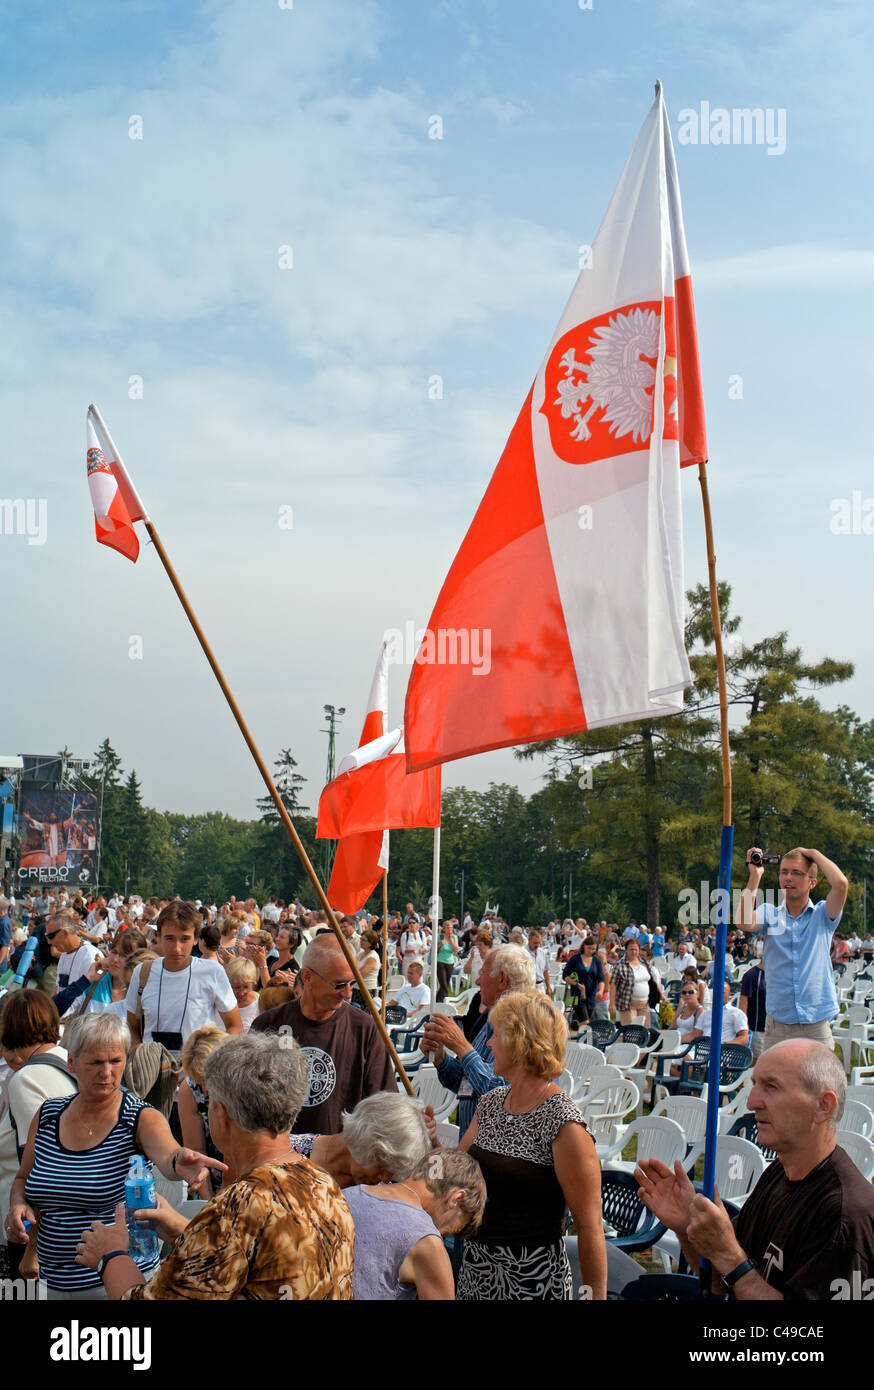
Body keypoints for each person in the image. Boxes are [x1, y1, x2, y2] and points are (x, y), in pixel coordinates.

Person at [74, 1032, 355, 1299]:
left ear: (221, 1115)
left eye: (209, 1103)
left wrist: (110, 1256)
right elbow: (258, 1259)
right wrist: (188, 1232)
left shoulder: (237, 1208)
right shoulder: (323, 1182)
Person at [6, 1011, 226, 1299]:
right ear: (71, 1062)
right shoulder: (48, 1114)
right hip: (52, 1282)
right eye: (96, 1062)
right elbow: (24, 1178)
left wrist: (179, 1160)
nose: (107, 1072)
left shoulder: (138, 1117)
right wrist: (18, 1206)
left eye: (116, 1061)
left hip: (118, 1284)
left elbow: (167, 1154)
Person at [636, 1040, 874, 1299]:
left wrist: (731, 1258)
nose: (751, 1102)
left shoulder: (845, 1216)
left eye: (771, 1087)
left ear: (823, 1106)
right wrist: (688, 1229)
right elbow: (725, 1282)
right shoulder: (779, 1173)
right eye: (754, 1085)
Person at [456, 991, 606, 1301]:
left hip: (533, 1284)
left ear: (518, 1041)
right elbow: (456, 1173)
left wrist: (595, 1298)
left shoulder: (563, 1124)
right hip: (477, 1275)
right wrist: (427, 1138)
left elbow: (590, 1228)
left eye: (495, 1035)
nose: (488, 1044)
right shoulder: (490, 1104)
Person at [251, 935, 397, 1134]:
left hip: (340, 1159)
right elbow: (247, 1104)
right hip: (280, 1157)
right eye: (339, 984)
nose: (347, 994)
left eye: (351, 983)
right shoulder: (268, 1026)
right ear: (308, 976)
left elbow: (385, 1104)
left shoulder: (364, 1029)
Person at [736, 846, 849, 1050]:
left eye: (797, 873)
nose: (788, 878)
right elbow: (743, 922)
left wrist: (813, 853)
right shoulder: (770, 914)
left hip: (815, 1022)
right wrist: (755, 875)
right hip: (778, 1023)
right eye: (784, 872)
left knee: (820, 1082)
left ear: (812, 882)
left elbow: (841, 884)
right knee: (776, 1082)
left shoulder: (822, 914)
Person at [0, 992, 77, 1279]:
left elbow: (37, 1169)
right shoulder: (66, 1060)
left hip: (30, 1230)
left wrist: (31, 1250)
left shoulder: (26, 1080)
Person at [344, 1148, 486, 1300]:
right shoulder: (427, 1241)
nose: (442, 1236)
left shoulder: (346, 1195)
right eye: (447, 1233)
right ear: (457, 1198)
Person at [422, 945, 536, 1134]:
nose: (477, 980)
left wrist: (462, 1047)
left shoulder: (526, 1025)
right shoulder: (492, 1018)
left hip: (499, 1151)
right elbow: (468, 1083)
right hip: (474, 1147)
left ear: (502, 980)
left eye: (482, 973)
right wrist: (442, 1059)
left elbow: (500, 1093)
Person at [126, 900, 242, 1056]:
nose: (176, 947)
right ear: (159, 937)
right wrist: (138, 1054)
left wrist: (204, 1060)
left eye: (184, 939)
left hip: (195, 1076)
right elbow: (132, 1026)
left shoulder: (213, 972)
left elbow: (235, 1026)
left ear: (195, 939)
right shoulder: (142, 972)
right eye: (169, 938)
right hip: (150, 1073)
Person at [609, 936, 660, 1026]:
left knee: (645, 1031)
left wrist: (662, 996)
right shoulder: (620, 965)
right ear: (626, 950)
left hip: (644, 1003)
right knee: (631, 1031)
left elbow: (652, 981)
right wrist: (612, 1004)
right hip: (627, 1003)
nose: (633, 952)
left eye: (636, 949)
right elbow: (613, 985)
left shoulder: (643, 962)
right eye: (631, 949)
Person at [562, 936, 606, 1030]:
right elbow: (565, 975)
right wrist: (576, 984)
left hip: (591, 995)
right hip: (577, 994)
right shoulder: (575, 958)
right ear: (584, 946)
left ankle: (582, 1039)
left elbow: (601, 978)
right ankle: (582, 1041)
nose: (591, 951)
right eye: (589, 948)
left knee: (587, 1022)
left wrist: (601, 991)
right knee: (585, 1021)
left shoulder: (597, 961)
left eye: (593, 949)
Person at [688, 982, 750, 1046]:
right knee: (678, 1051)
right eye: (716, 992)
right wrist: (679, 1040)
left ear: (728, 994)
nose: (718, 994)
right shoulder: (706, 1013)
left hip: (723, 1051)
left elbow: (744, 1038)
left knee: (687, 1056)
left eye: (722, 992)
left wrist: (723, 1044)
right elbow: (695, 1034)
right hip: (701, 1048)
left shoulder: (736, 1013)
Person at [738, 953, 767, 1058]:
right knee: (756, 1059)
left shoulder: (773, 975)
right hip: (756, 1028)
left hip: (771, 1027)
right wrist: (744, 1024)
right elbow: (743, 1000)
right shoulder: (751, 975)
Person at [224, 957, 261, 1030]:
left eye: (246, 987)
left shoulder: (260, 1003)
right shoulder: (222, 1002)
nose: (241, 993)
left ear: (253, 984)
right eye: (236, 988)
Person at [435, 921, 459, 1003]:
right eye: (448, 927)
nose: (450, 929)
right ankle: (446, 1000)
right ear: (444, 929)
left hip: (450, 962)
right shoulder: (440, 937)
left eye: (451, 927)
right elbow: (433, 949)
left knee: (446, 984)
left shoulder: (455, 937)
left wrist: (451, 940)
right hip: (440, 962)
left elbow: (456, 949)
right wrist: (440, 945)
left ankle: (437, 1001)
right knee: (443, 984)